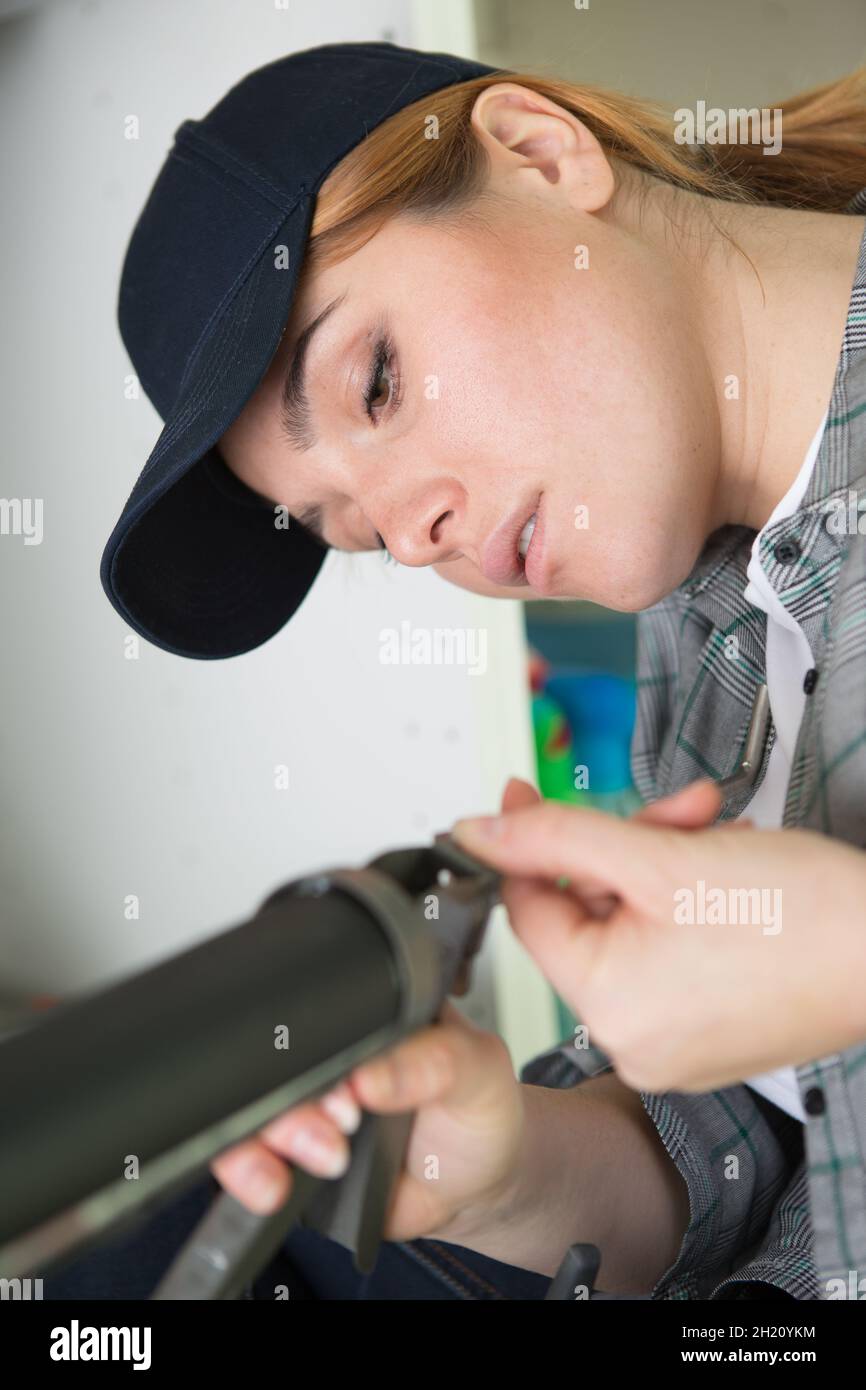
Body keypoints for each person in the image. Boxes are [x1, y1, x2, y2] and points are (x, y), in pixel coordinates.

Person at [62, 40, 866, 1300]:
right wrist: (506, 1173)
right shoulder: (694, 658)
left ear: (543, 155)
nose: (413, 533)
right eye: (358, 531)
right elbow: (757, 1145)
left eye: (374, 381)